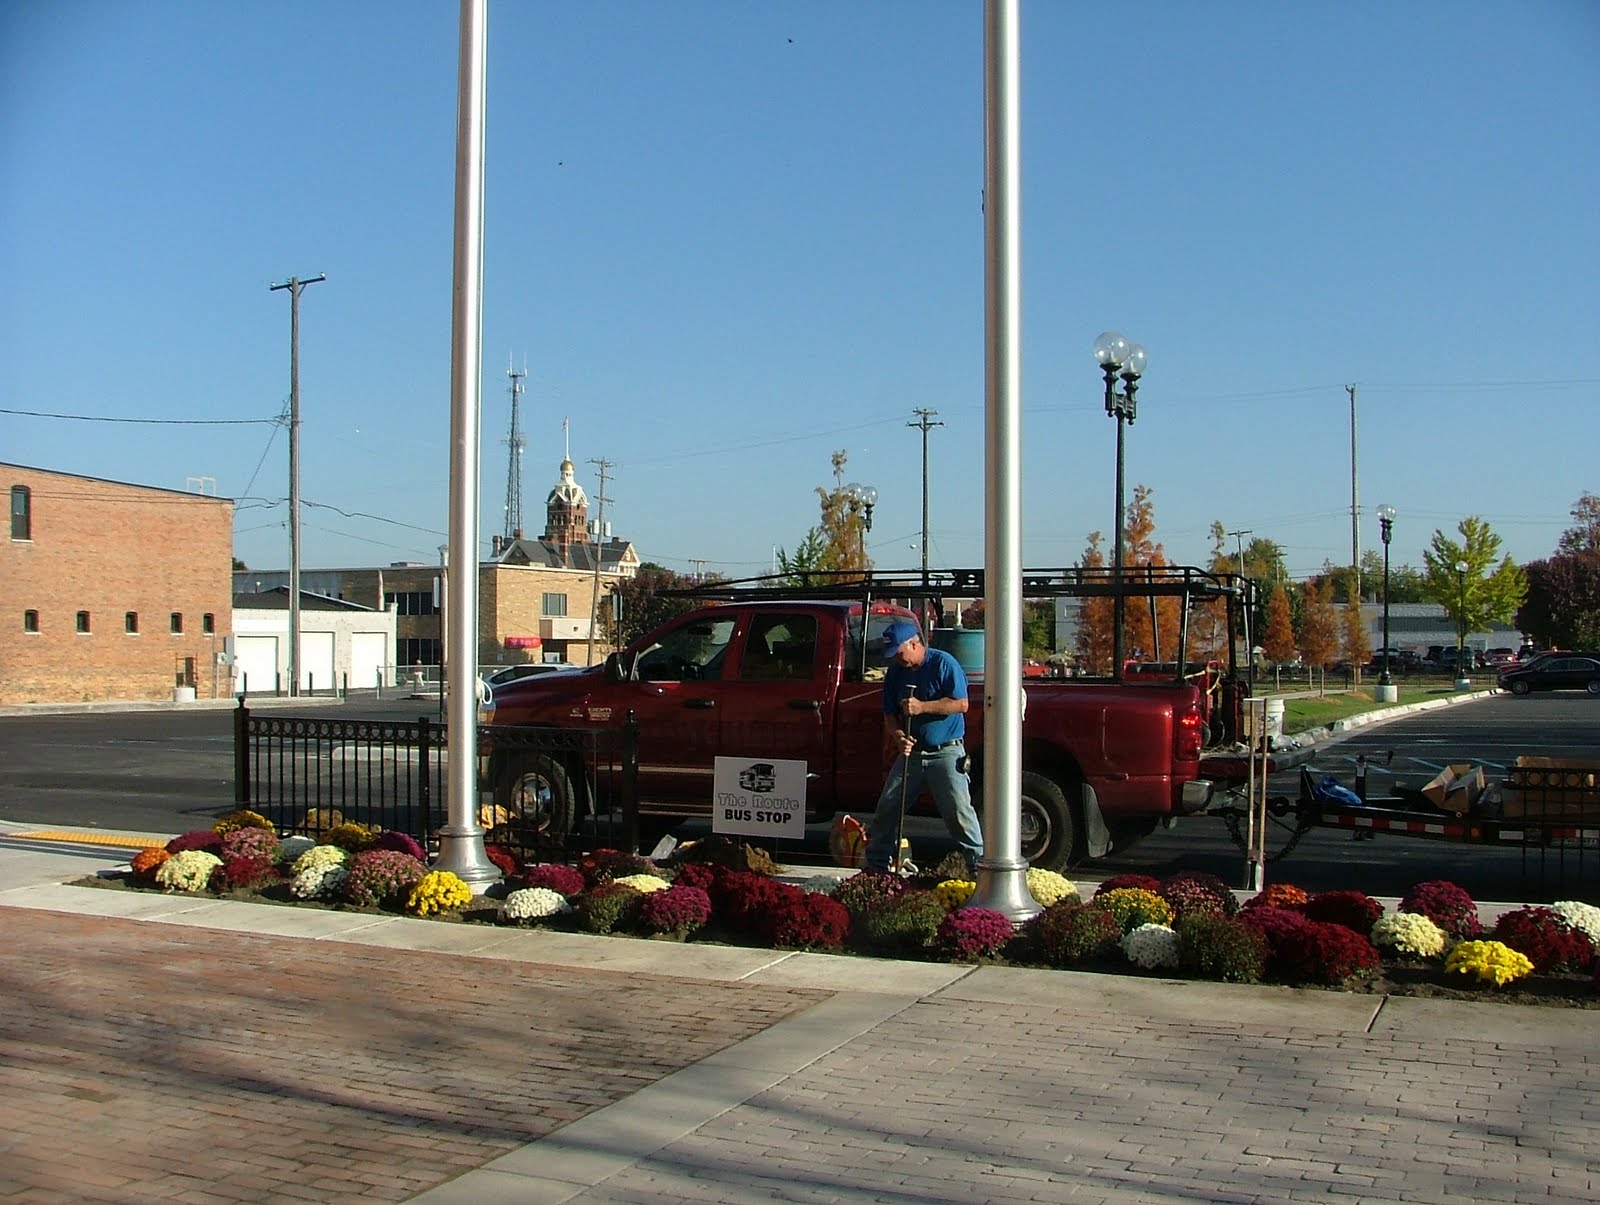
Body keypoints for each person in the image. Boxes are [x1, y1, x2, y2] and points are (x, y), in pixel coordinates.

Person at [863, 620, 984, 873]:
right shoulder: (896, 672)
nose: (897, 658)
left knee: (959, 812)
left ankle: (978, 867)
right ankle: (876, 868)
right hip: (912, 754)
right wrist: (898, 737)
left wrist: (922, 707)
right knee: (888, 807)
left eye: (899, 652)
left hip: (947, 753)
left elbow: (961, 704)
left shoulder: (944, 663)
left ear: (915, 643)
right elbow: (889, 714)